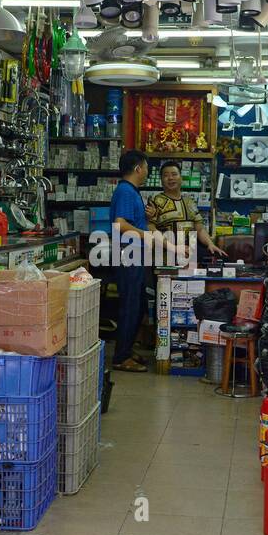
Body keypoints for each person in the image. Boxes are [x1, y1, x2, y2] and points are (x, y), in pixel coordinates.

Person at [110, 150, 151, 372]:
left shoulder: (131, 191)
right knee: (130, 305)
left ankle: (126, 349)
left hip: (134, 254)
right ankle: (120, 357)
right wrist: (147, 235)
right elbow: (120, 224)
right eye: (145, 167)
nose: (147, 171)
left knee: (138, 304)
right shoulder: (126, 191)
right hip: (128, 254)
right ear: (138, 168)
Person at [145, 160, 227, 261]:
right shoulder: (155, 201)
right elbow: (150, 228)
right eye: (166, 175)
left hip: (190, 255)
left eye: (174, 174)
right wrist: (173, 248)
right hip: (166, 256)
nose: (170, 178)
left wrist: (210, 243)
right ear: (161, 179)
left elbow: (200, 229)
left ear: (181, 178)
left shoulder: (189, 202)